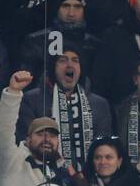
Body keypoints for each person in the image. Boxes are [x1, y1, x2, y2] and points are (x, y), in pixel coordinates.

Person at [17, 42, 113, 174]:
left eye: (75, 60)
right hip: (42, 175)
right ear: (52, 68)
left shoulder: (99, 105)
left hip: (88, 179)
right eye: (62, 60)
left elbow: (103, 149)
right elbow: (25, 144)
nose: (69, 65)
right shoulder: (31, 100)